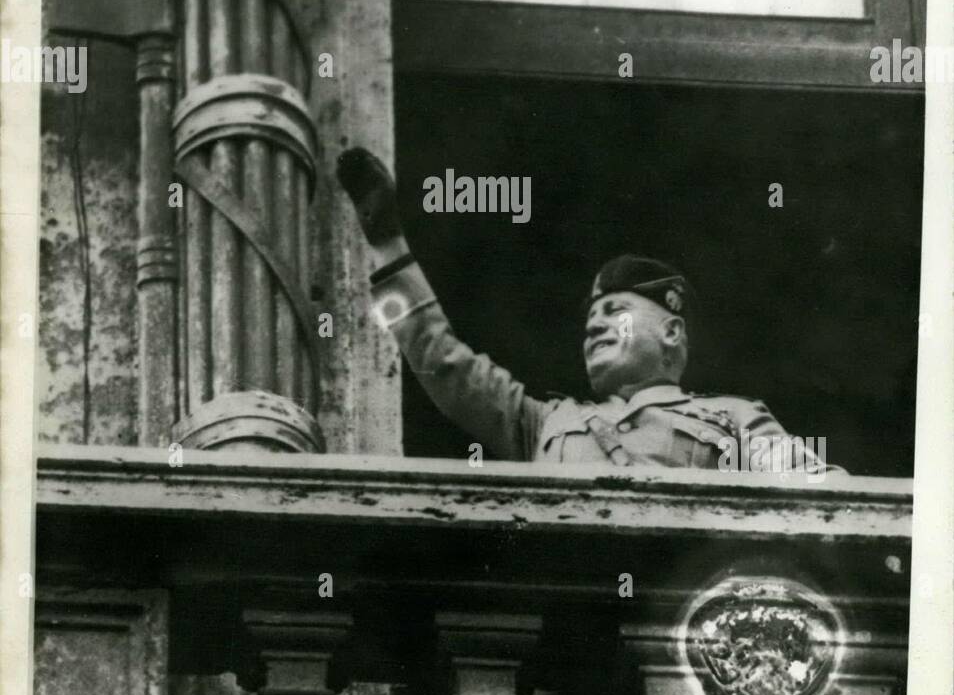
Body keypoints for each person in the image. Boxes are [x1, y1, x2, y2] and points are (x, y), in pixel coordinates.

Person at [337, 147, 834, 479]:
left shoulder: (733, 417)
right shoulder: (540, 422)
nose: (594, 324)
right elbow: (444, 364)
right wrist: (388, 246)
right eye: (590, 318)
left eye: (614, 309)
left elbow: (820, 489)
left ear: (671, 330)